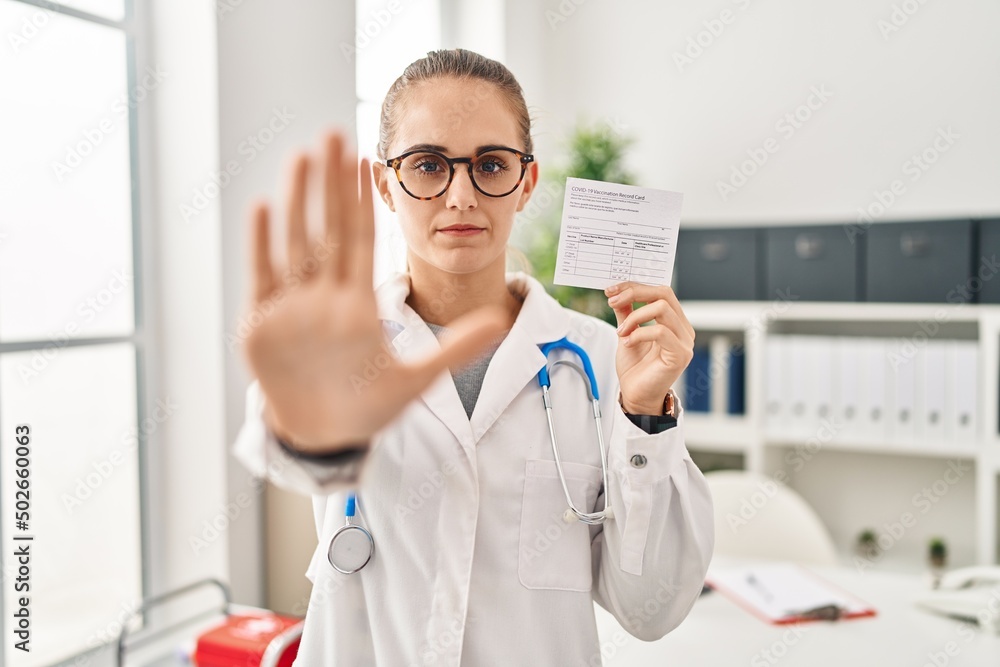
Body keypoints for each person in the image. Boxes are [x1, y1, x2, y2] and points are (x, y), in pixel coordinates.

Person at [232, 48, 714, 666]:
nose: (461, 194)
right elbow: (289, 456)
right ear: (385, 183)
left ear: (526, 184)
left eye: (490, 164)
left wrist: (644, 416)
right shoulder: (338, 349)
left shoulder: (603, 364)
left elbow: (650, 610)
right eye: (428, 164)